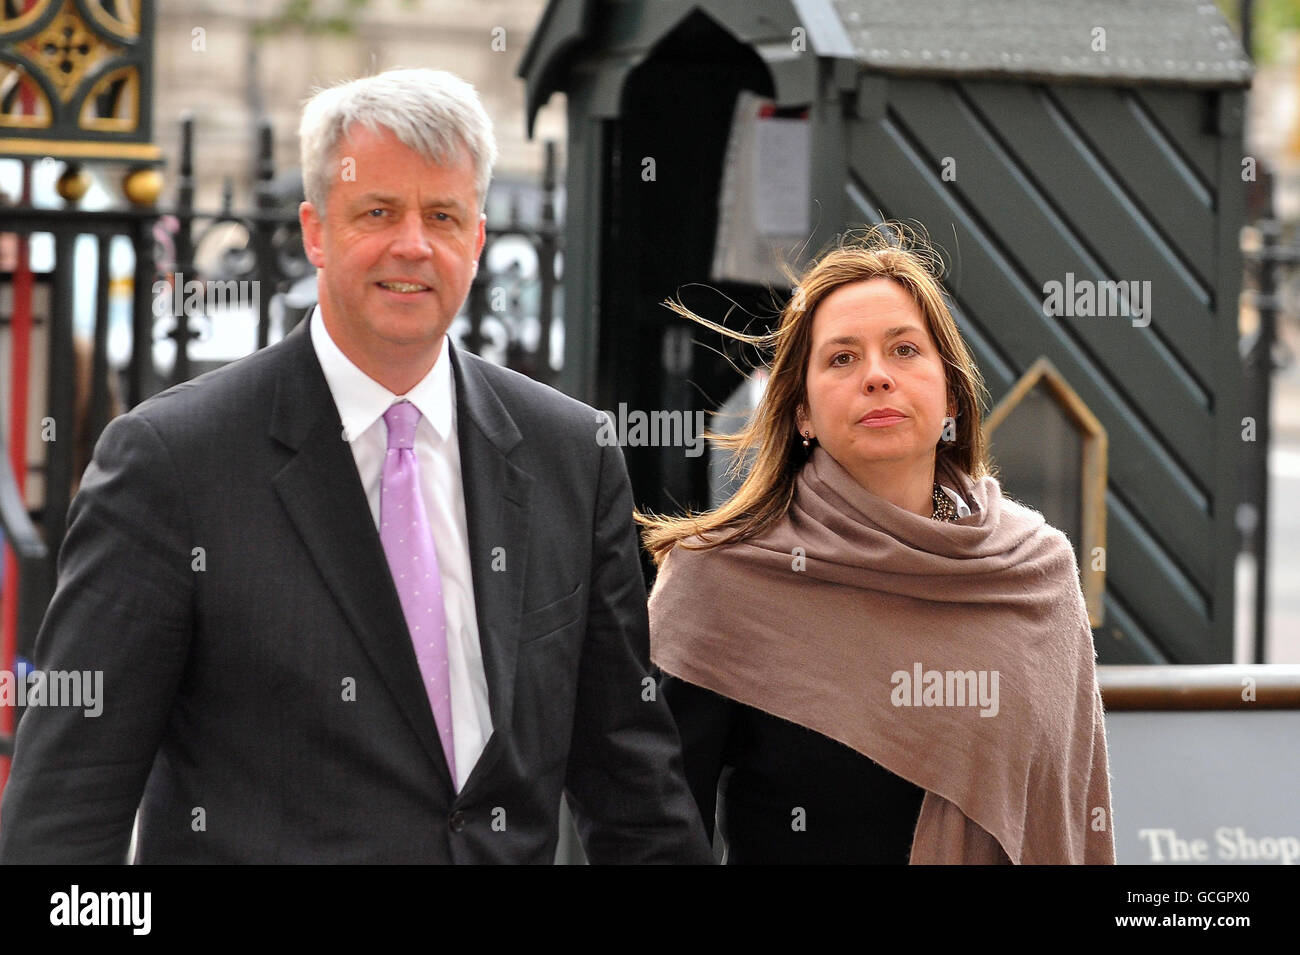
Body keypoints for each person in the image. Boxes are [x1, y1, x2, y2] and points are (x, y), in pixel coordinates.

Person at [0, 69, 712, 864]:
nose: (413, 243)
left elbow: (635, 792)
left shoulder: (570, 457)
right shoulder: (171, 464)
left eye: (442, 215)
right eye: (377, 212)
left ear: (477, 238)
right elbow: (64, 812)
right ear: (315, 230)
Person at [641, 224, 1115, 864]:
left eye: (904, 350)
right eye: (841, 358)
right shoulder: (723, 579)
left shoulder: (1037, 572)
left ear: (949, 390)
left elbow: (1068, 817)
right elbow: (655, 830)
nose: (877, 377)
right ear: (801, 411)